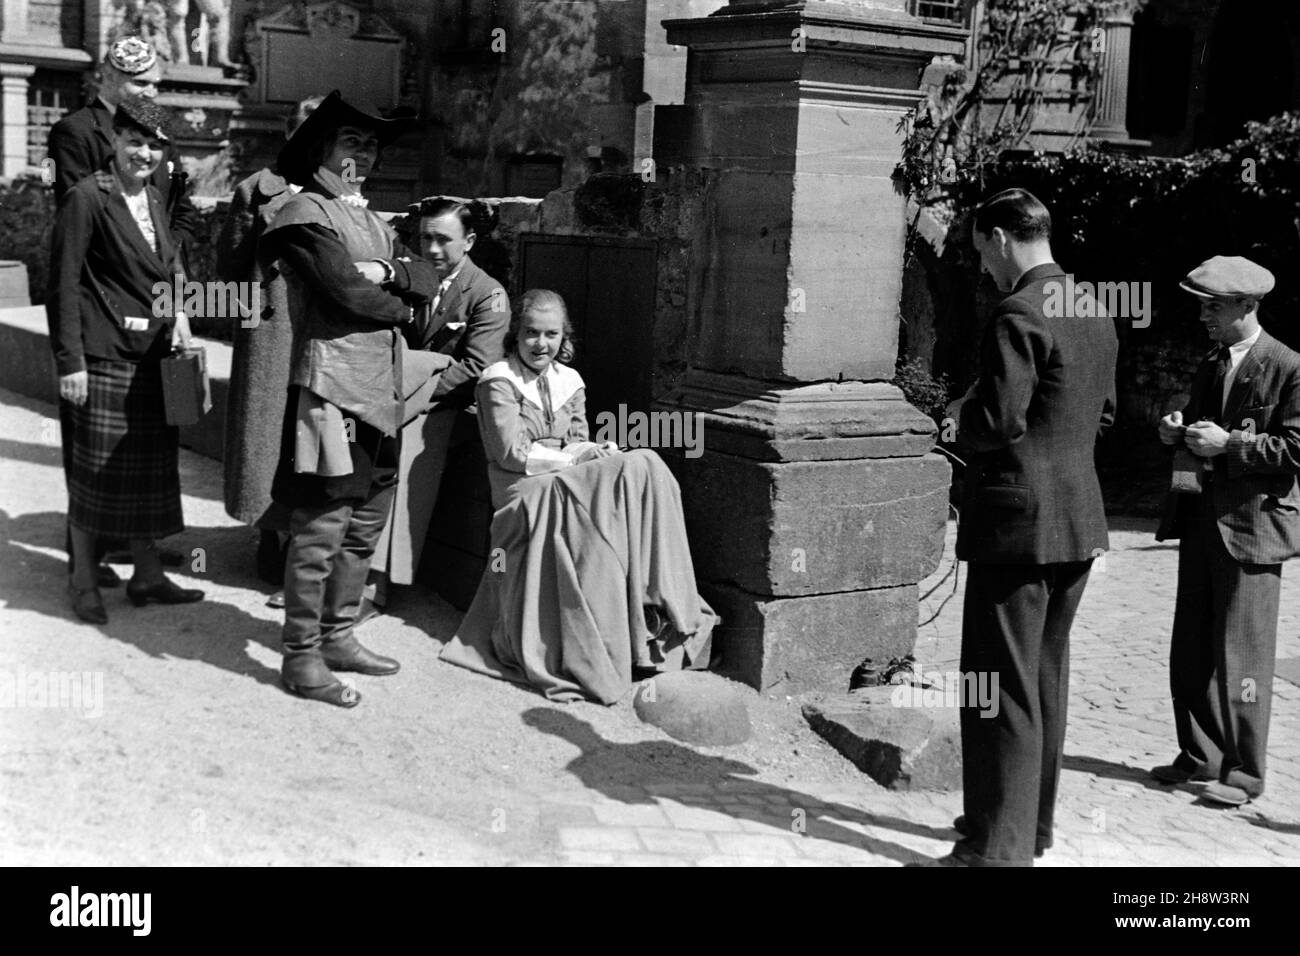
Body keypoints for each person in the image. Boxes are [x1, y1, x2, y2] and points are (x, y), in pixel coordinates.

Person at [910, 189, 1118, 866]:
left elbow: (999, 422)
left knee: (998, 686)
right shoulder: (1090, 306)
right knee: (1043, 680)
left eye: (982, 254)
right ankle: (1030, 829)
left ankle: (995, 849)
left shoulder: (1017, 310)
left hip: (1016, 527)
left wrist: (957, 421)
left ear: (1001, 238)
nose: (986, 271)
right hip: (1077, 521)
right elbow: (1100, 415)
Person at [439, 290, 718, 704]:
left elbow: (579, 440)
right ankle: (609, 642)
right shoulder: (498, 379)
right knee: (619, 482)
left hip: (565, 476)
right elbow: (510, 452)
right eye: (531, 333)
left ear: (562, 336)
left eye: (551, 334)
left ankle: (652, 617)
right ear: (516, 334)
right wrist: (574, 460)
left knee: (642, 464)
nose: (541, 344)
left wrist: (593, 453)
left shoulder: (569, 380)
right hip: (523, 487)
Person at [259, 90, 444, 708]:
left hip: (382, 390)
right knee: (321, 527)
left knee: (365, 524)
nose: (361, 155)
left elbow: (427, 276)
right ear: (320, 148)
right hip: (333, 390)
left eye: (370, 145)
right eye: (350, 141)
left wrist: (391, 273)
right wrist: (397, 292)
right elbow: (347, 293)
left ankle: (339, 635)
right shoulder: (303, 215)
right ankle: (301, 653)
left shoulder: (370, 217)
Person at [46, 95, 205, 625]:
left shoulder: (156, 197)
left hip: (154, 356)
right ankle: (83, 581)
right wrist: (70, 362)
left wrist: (180, 313)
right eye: (134, 142)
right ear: (114, 141)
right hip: (102, 354)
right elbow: (63, 284)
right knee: (94, 475)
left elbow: (166, 265)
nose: (144, 153)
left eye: (154, 145)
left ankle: (147, 575)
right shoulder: (87, 196)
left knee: (150, 473)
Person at [1152, 256, 1300, 807]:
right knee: (1189, 649)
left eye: (1213, 306)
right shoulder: (1212, 363)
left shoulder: (1288, 366)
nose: (1203, 316)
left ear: (1248, 305)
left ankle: (1244, 772)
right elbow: (1198, 430)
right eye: (1200, 305)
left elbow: (1296, 449)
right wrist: (1176, 432)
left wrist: (1230, 445)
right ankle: (1200, 755)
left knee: (1244, 657)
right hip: (1200, 523)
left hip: (1254, 530)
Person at [363, 197, 509, 620]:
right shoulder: (408, 278)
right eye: (424, 238)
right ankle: (327, 568)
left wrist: (411, 395)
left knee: (405, 453)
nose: (431, 250)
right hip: (394, 393)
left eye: (444, 240)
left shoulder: (487, 294)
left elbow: (476, 367)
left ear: (470, 241)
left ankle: (374, 586)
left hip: (447, 406)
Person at [217, 96, 322, 593]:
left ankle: (310, 540)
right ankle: (269, 535)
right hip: (273, 332)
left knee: (314, 431)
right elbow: (230, 271)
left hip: (324, 330)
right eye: (302, 132)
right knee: (267, 435)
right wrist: (256, 319)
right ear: (288, 133)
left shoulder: (341, 194)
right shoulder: (253, 192)